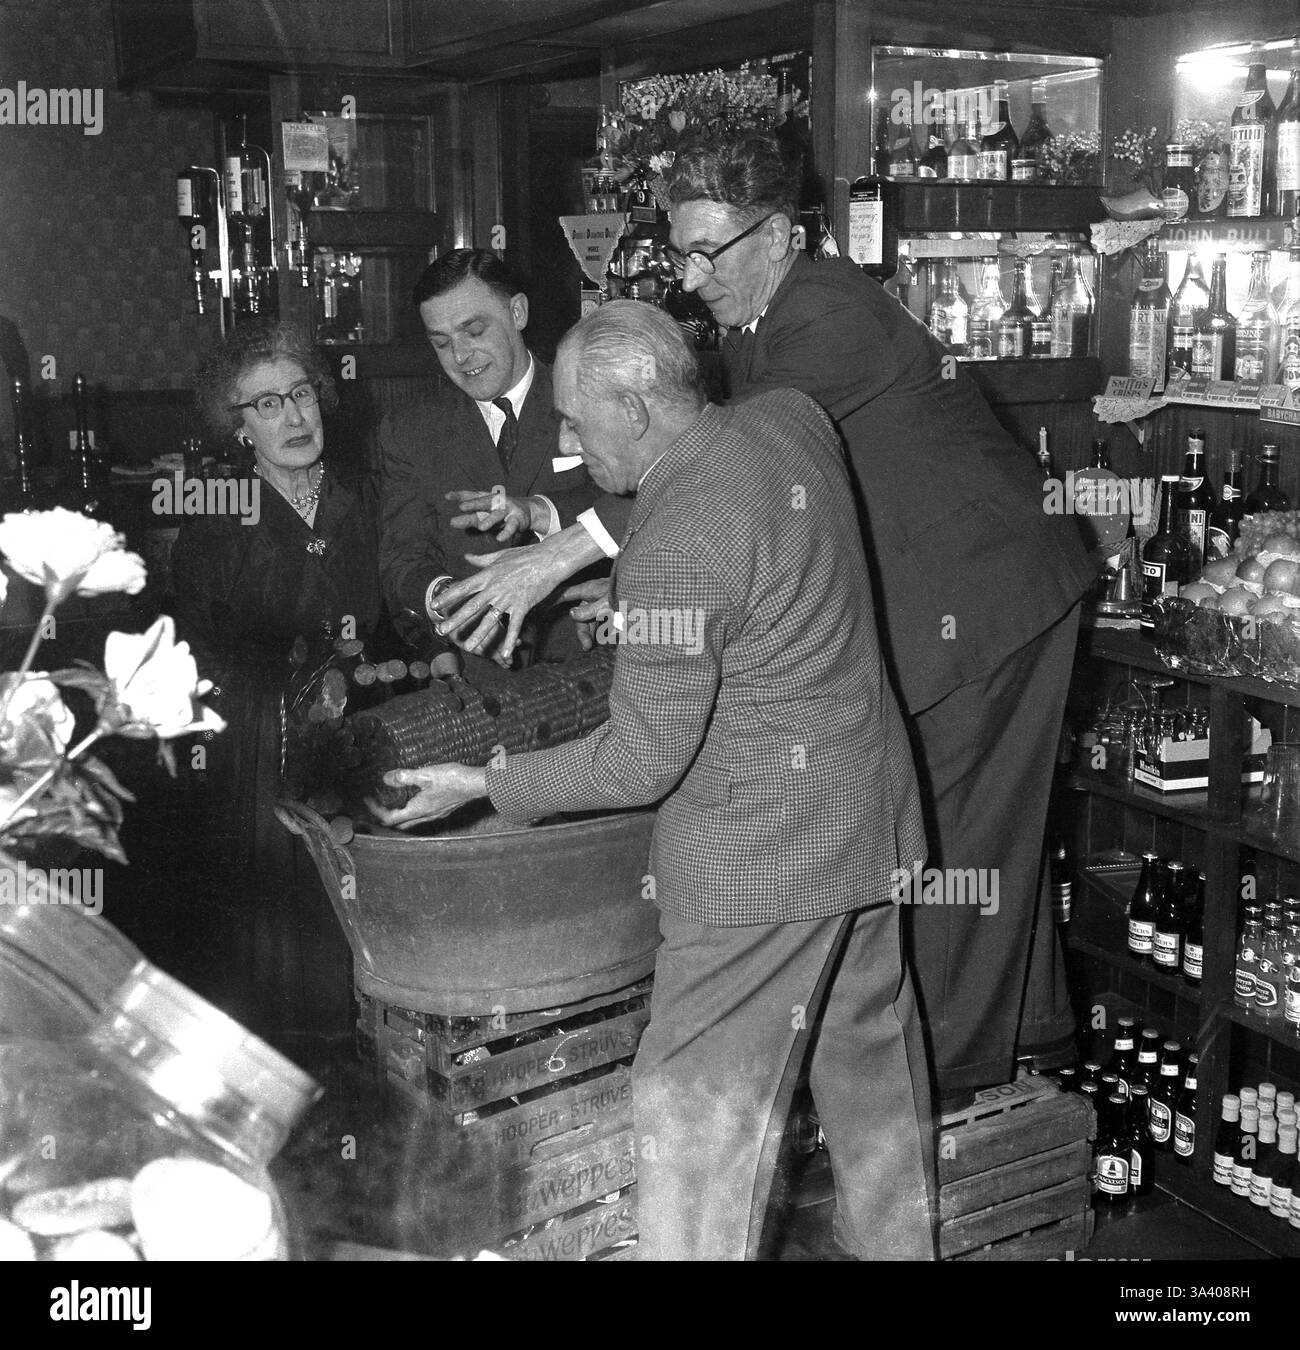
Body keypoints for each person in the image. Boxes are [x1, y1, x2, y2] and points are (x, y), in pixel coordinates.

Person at [428, 132, 1095, 1104]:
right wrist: (563, 526)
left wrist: (560, 554)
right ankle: (1013, 1073)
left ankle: (949, 1108)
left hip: (990, 602)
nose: (693, 278)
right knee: (975, 847)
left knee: (950, 861)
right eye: (682, 252)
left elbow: (721, 464)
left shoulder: (826, 317)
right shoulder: (765, 315)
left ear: (781, 234)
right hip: (949, 598)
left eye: (711, 251)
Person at [372, 301, 936, 1261]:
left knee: (692, 1118)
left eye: (577, 422)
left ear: (634, 409)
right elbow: (744, 537)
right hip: (873, 819)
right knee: (872, 1067)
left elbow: (642, 759)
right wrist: (640, 584)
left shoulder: (678, 541)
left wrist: (483, 779)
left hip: (761, 867)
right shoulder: (791, 418)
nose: (564, 439)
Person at [169, 320, 384, 1056]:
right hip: (264, 745)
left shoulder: (368, 499)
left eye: (301, 394)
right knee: (290, 926)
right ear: (238, 429)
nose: (293, 417)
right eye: (266, 405)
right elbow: (197, 654)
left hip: (372, 727)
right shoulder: (214, 521)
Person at [378, 248, 603, 680]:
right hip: (482, 690)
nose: (460, 356)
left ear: (517, 312)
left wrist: (540, 510)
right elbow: (402, 557)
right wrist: (447, 598)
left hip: (593, 670)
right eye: (441, 343)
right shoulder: (408, 431)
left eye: (474, 331)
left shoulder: (589, 395)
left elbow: (633, 502)